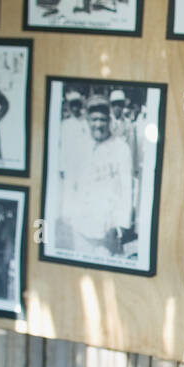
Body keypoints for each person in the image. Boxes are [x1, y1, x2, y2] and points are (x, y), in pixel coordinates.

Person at [57, 94, 133, 257]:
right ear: (87, 121)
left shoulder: (121, 148)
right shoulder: (78, 146)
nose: (98, 125)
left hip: (107, 228)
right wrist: (68, 214)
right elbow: (70, 183)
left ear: (109, 120)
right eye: (94, 119)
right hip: (81, 226)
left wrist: (120, 226)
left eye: (103, 120)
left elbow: (127, 190)